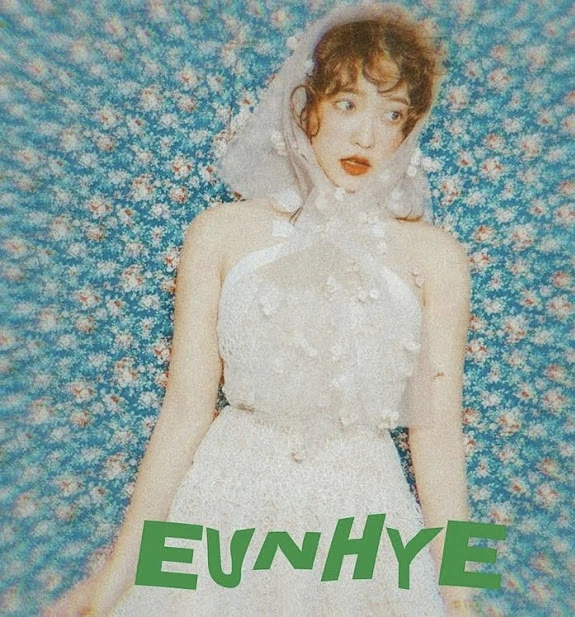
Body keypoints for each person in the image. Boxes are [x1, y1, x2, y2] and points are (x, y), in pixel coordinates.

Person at [42, 4, 473, 616]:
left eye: (392, 113)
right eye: (347, 103)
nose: (366, 136)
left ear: (409, 129)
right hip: (225, 505)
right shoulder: (221, 232)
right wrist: (110, 581)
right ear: (309, 106)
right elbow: (184, 413)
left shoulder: (437, 258)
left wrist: (464, 594)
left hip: (363, 521)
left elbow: (439, 438)